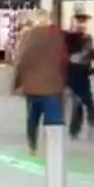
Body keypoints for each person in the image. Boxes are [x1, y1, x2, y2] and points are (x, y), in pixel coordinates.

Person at [13, 9, 68, 154]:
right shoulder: (57, 35)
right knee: (53, 121)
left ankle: (32, 146)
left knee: (32, 119)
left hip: (32, 88)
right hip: (52, 87)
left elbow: (20, 60)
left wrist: (17, 83)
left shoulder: (27, 36)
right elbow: (64, 60)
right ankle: (54, 151)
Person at [64, 8, 94, 139]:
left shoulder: (87, 38)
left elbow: (90, 54)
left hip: (82, 73)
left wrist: (86, 55)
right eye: (79, 21)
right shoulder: (68, 37)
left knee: (84, 99)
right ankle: (85, 126)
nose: (82, 24)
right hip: (72, 73)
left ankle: (90, 123)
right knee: (80, 101)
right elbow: (67, 55)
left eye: (83, 22)